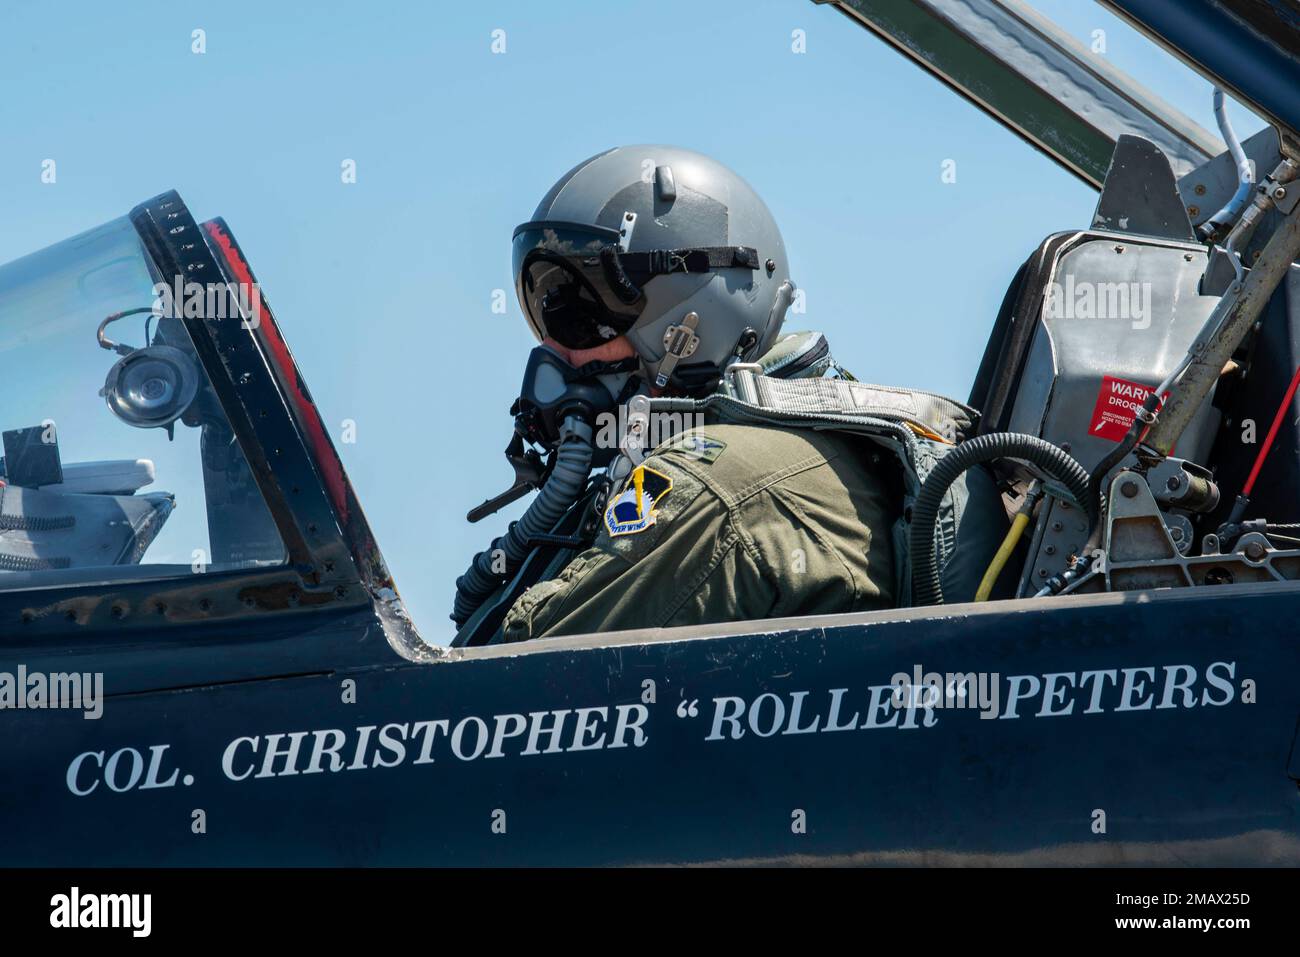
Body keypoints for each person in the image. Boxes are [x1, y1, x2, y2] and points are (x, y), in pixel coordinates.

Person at [451, 146, 1007, 641]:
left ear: (689, 323)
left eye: (575, 313)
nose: (554, 350)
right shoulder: (797, 452)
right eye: (541, 307)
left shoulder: (713, 486)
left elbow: (507, 688)